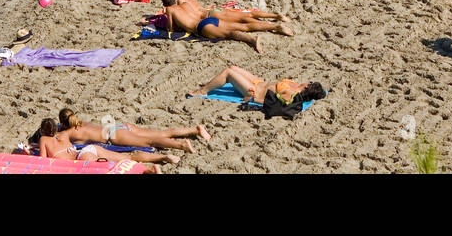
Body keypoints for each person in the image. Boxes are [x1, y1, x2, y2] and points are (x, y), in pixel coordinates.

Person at [161, 0, 293, 52]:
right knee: (246, 16)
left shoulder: (175, 6)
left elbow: (171, 29)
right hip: (213, 11)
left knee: (234, 31)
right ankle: (275, 17)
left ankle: (253, 39)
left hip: (202, 24)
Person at [26, 117, 177, 167]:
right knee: (130, 156)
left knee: (148, 142)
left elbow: (43, 162)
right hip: (93, 146)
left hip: (85, 156)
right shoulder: (65, 135)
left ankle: (156, 165)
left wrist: (28, 152)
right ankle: (164, 157)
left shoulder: (45, 139)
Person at [57, 108, 209, 153]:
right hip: (118, 126)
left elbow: (57, 142)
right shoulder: (80, 122)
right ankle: (195, 129)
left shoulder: (68, 132)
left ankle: (181, 145)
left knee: (150, 141)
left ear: (63, 124)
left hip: (114, 135)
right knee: (160, 133)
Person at [193, 67, 324, 106]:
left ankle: (203, 91)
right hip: (258, 82)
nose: (308, 81)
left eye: (310, 82)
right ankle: (213, 83)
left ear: (308, 87)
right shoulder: (297, 85)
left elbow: (274, 103)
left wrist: (252, 99)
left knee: (228, 73)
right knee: (232, 67)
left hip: (253, 90)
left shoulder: (291, 93)